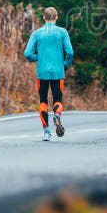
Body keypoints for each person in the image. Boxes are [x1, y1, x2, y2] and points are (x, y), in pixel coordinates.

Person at [24, 7, 74, 141]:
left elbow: (27, 53)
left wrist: (39, 57)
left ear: (44, 18)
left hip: (42, 72)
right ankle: (57, 114)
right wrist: (65, 65)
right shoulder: (62, 32)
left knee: (43, 100)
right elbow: (70, 52)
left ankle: (46, 132)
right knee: (58, 99)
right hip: (58, 72)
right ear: (56, 17)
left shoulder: (37, 33)